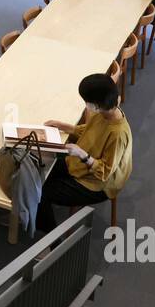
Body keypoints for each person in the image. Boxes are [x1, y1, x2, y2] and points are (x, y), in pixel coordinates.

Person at [34, 73, 133, 232]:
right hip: (82, 164)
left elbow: (105, 173)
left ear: (98, 104)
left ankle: (51, 244)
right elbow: (89, 132)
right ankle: (29, 211)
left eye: (87, 101)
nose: (86, 104)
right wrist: (63, 126)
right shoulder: (106, 112)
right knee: (39, 165)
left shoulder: (118, 133)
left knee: (40, 193)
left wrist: (82, 154)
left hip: (99, 184)